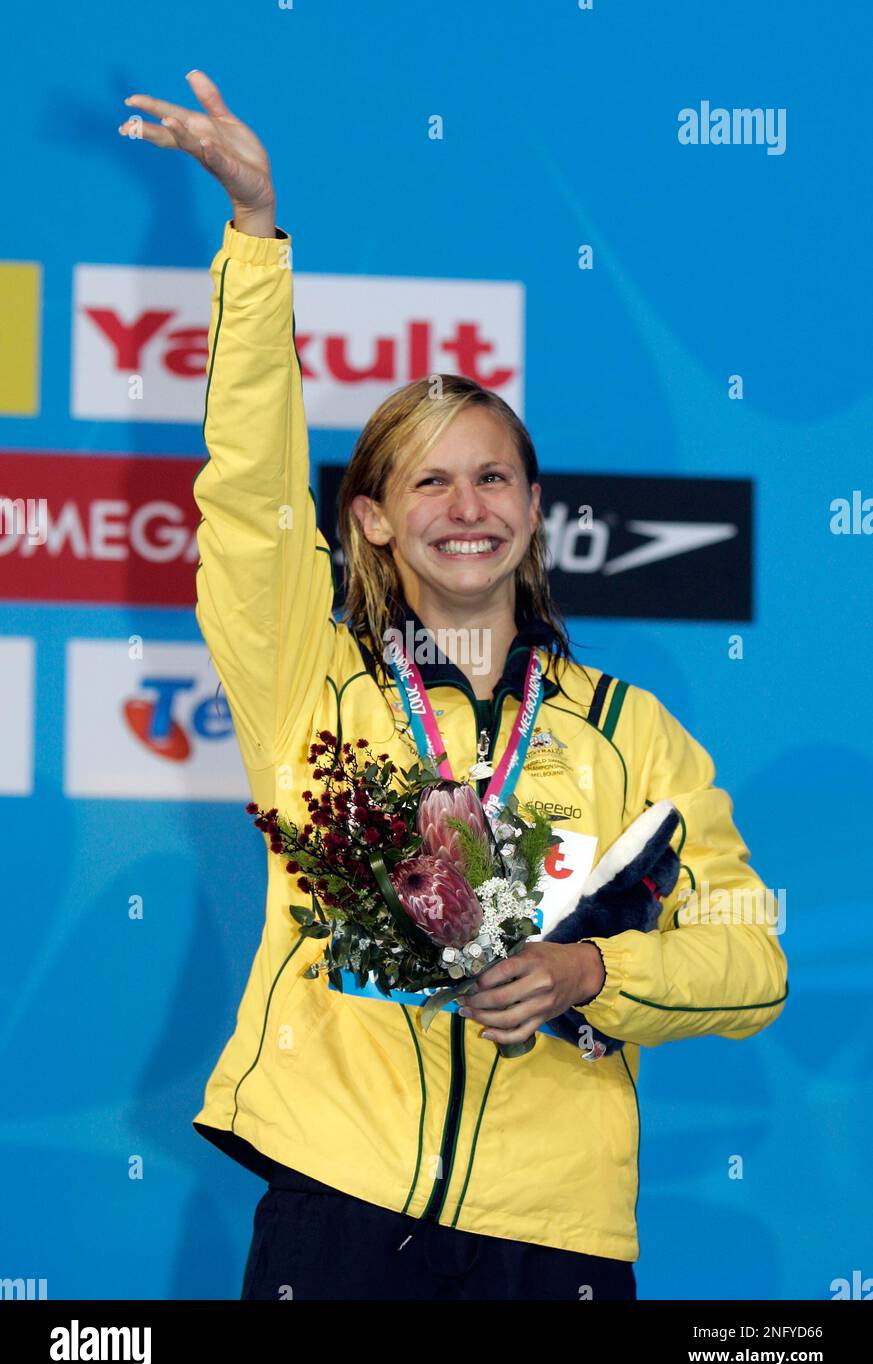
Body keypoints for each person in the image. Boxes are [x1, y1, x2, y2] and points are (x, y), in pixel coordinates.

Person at [119, 71, 789, 1302]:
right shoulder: (310, 687)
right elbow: (252, 498)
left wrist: (598, 976)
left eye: (493, 481)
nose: (465, 509)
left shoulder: (630, 731)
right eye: (427, 484)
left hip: (556, 1240)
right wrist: (257, 239)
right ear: (368, 520)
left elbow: (754, 955)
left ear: (535, 513)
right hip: (338, 1204)